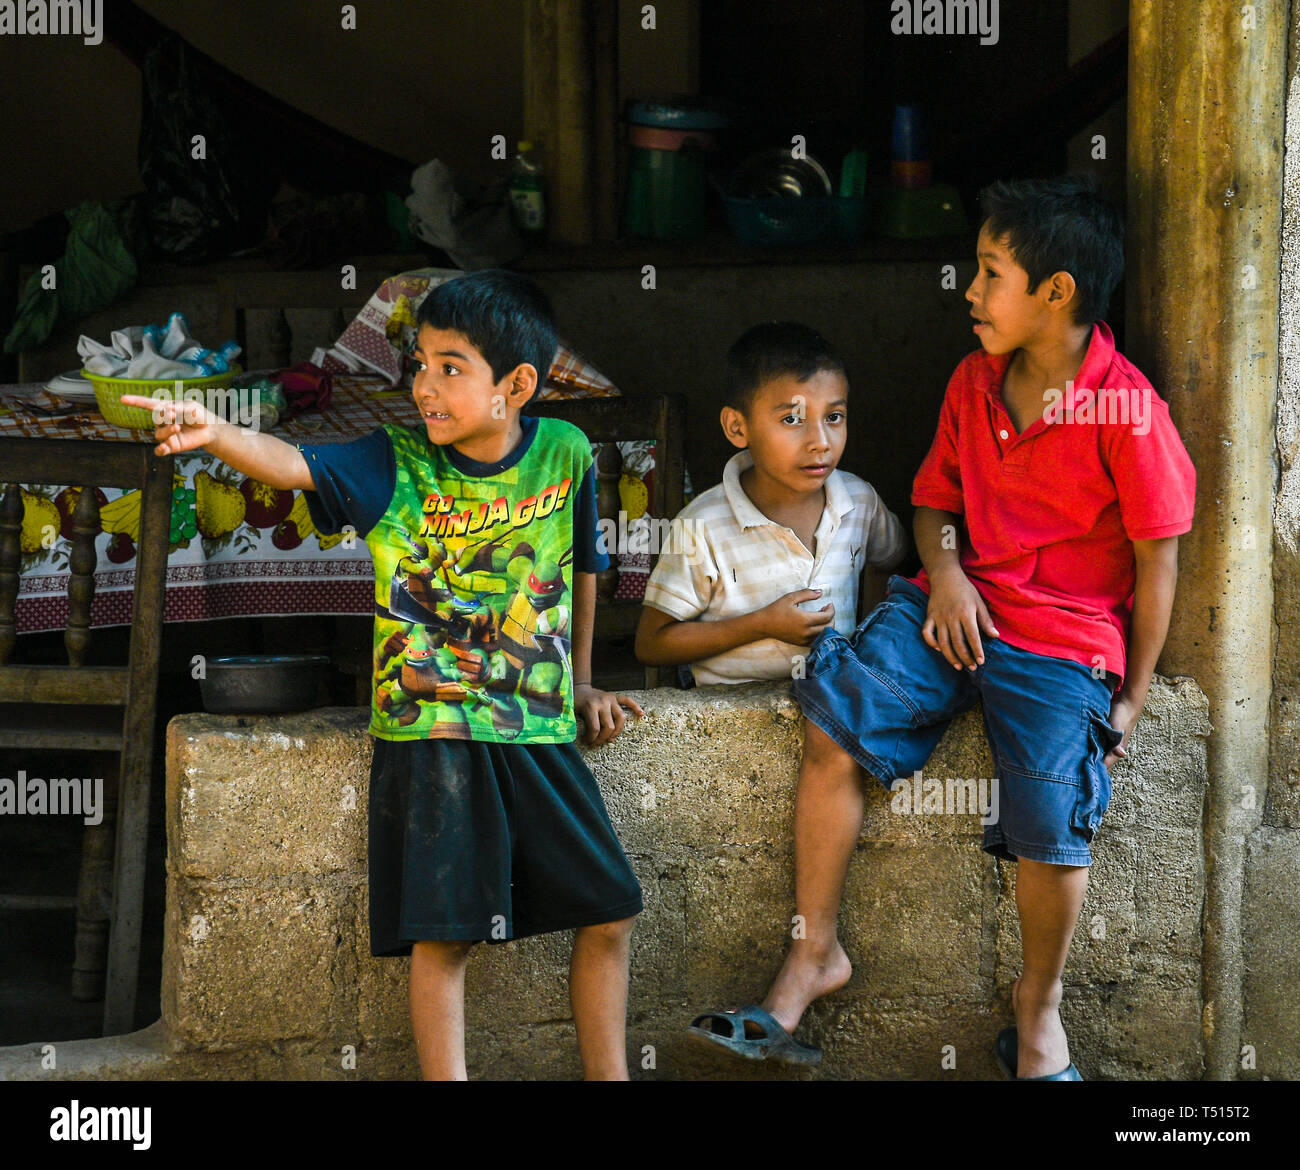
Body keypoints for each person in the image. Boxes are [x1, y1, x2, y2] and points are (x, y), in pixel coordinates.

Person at [687, 175, 1196, 1078]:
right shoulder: (972, 381)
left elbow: (1159, 562)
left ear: (1057, 292)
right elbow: (931, 507)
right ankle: (814, 956)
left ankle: (1038, 1014)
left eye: (991, 272)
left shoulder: (1129, 411)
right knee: (834, 715)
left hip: (1063, 638)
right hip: (948, 609)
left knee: (1051, 811)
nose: (969, 289)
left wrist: (1133, 698)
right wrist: (951, 575)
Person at [124, 269, 644, 1080]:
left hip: (536, 726)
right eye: (420, 362)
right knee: (446, 936)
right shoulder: (391, 458)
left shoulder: (566, 454)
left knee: (611, 907)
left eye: (450, 368)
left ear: (516, 386)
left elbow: (582, 566)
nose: (423, 386)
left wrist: (580, 679)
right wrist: (215, 433)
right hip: (428, 735)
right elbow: (291, 462)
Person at [635, 321, 906, 686]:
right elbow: (652, 644)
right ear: (737, 427)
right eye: (792, 419)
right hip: (728, 721)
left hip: (838, 706)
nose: (820, 441)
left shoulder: (859, 501)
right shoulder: (702, 525)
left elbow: (886, 561)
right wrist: (759, 624)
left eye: (834, 417)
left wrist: (866, 647)